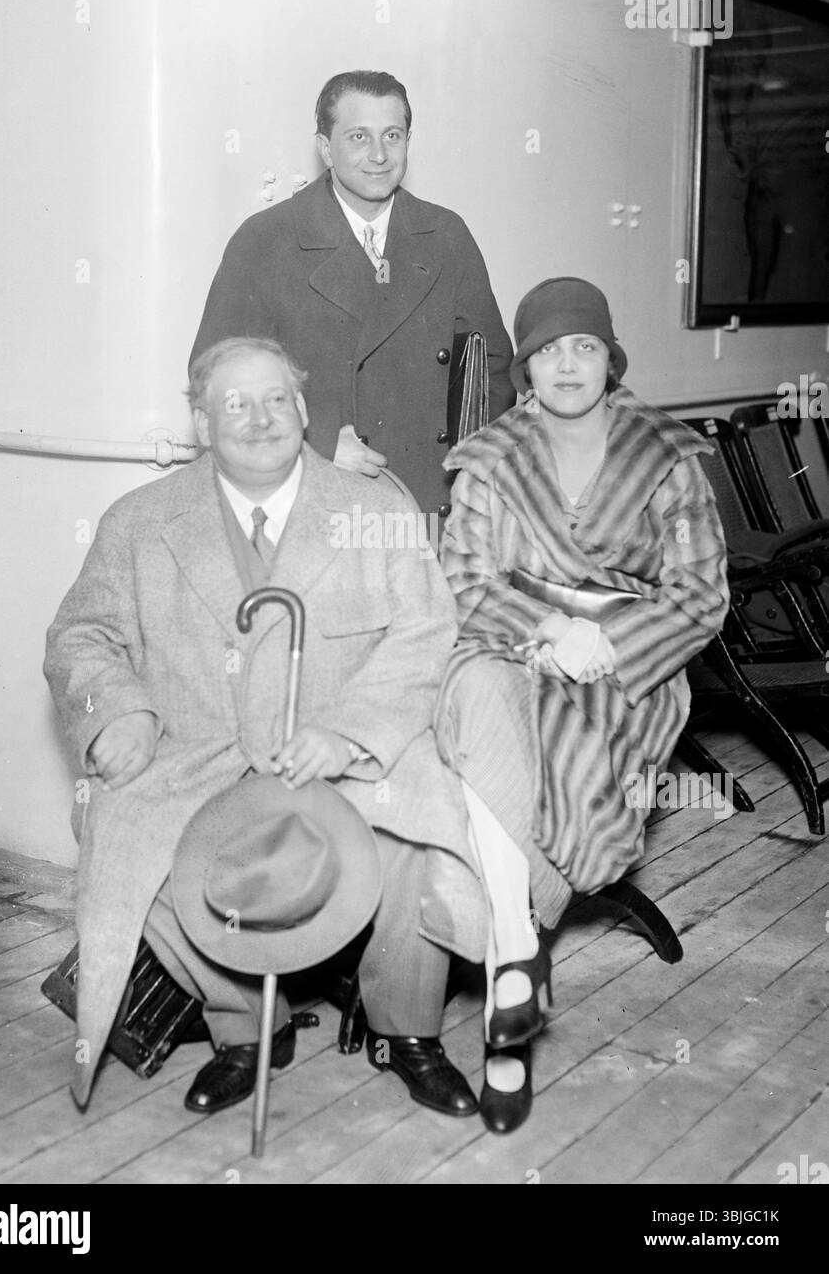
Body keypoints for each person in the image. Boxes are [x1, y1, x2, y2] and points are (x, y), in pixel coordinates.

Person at [44, 336, 487, 1120]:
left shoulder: (375, 510)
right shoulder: (140, 521)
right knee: (115, 822)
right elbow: (80, 636)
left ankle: (406, 1029)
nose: (259, 420)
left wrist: (347, 732)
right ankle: (247, 1029)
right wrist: (120, 709)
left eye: (276, 399)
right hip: (197, 751)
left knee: (431, 820)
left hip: (340, 751)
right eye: (235, 404)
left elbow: (425, 630)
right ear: (201, 420)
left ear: (305, 410)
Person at [434, 278, 729, 1135]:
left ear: (611, 358)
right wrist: (550, 628)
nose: (569, 364)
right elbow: (465, 580)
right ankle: (517, 964)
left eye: (586, 347)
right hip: (507, 644)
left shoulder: (666, 456)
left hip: (626, 671)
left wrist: (609, 647)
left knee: (564, 748)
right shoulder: (489, 458)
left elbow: (703, 594)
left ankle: (509, 965)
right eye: (551, 350)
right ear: (526, 366)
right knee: (484, 715)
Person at [189, 70, 515, 518]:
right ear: (325, 148)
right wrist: (313, 442)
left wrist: (468, 471)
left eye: (392, 135)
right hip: (309, 498)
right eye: (359, 136)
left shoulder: (445, 236)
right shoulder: (266, 240)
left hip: (423, 505)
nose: (379, 155)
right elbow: (215, 380)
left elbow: (493, 370)